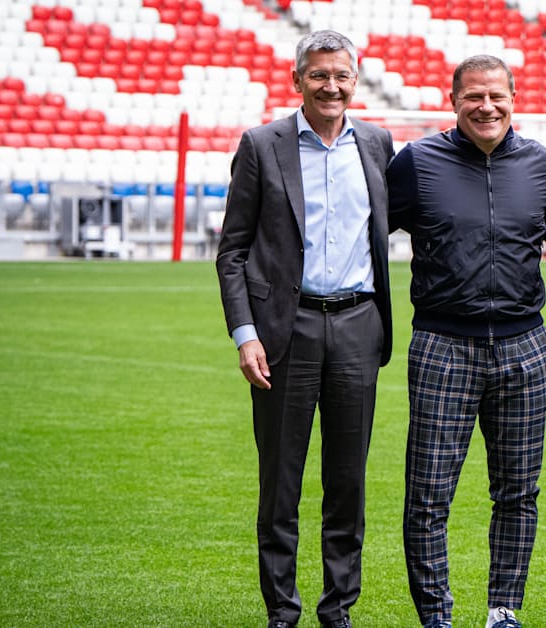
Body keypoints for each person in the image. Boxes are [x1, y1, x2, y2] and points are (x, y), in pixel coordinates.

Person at [215, 30, 394, 628]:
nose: (331, 86)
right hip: (283, 333)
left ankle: (338, 608)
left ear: (355, 79)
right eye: (319, 75)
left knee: (348, 484)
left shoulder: (376, 142)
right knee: (281, 484)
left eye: (342, 75)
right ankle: (282, 610)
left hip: (357, 327)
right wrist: (246, 334)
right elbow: (232, 251)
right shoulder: (262, 145)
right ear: (298, 80)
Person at [386, 54, 546, 628]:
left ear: (514, 98)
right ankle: (436, 615)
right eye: (473, 97)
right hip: (443, 344)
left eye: (497, 96)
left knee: (518, 491)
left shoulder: (541, 163)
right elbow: (363, 233)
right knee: (428, 495)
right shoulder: (416, 162)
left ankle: (503, 610)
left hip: (524, 347)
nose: (486, 107)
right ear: (453, 100)